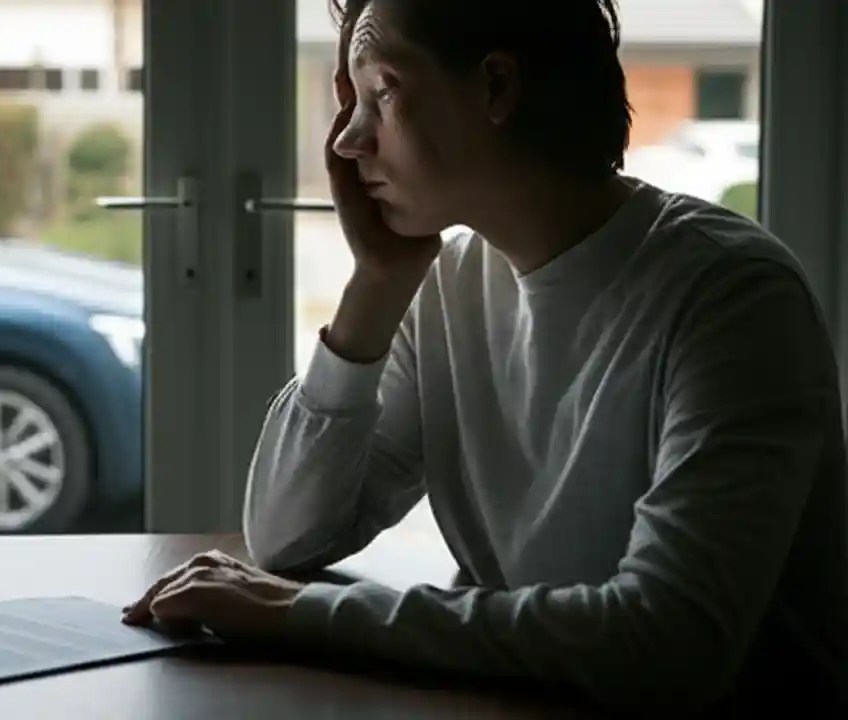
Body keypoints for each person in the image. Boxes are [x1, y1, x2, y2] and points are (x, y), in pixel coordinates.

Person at [122, 0, 848, 711]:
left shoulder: (733, 297)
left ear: (497, 86)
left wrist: (300, 616)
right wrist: (376, 285)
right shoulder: (450, 286)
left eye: (381, 93)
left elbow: (668, 645)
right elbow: (286, 536)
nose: (348, 142)